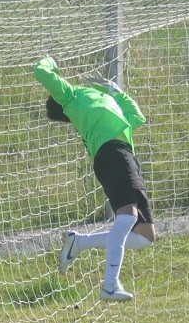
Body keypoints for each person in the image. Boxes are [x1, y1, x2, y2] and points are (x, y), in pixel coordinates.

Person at [35, 56, 155, 302]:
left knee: (145, 236)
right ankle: (110, 285)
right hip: (111, 155)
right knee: (127, 216)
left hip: (126, 156)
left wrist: (117, 92)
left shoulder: (108, 104)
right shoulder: (71, 97)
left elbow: (137, 118)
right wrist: (50, 60)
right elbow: (41, 72)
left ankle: (78, 244)